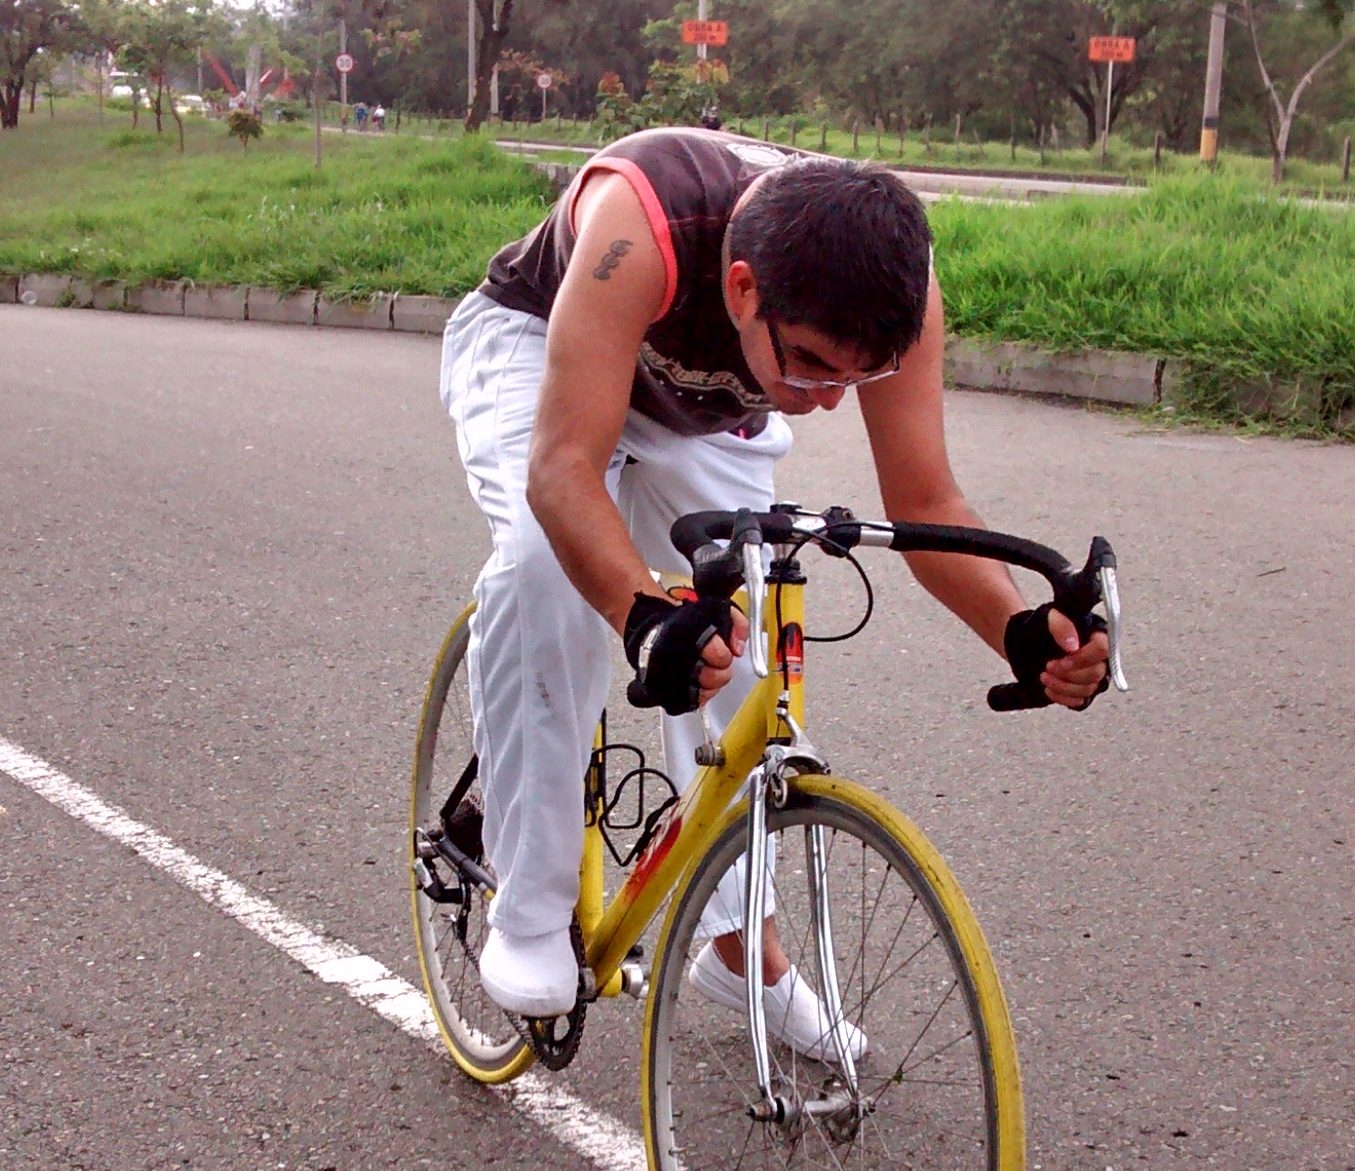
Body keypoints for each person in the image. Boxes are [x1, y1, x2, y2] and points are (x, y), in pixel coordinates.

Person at [438, 127, 1112, 1052]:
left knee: (743, 657)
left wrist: (1020, 633)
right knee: (543, 566)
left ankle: (740, 952)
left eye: (858, 376)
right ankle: (530, 906)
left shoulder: (894, 296)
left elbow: (924, 497)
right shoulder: (643, 221)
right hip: (535, 351)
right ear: (745, 288)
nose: (831, 400)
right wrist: (639, 614)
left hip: (707, 413)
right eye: (811, 366)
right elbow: (562, 470)